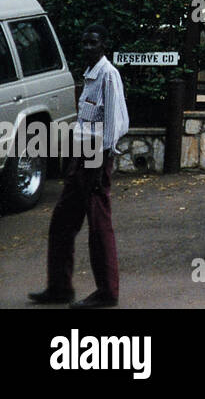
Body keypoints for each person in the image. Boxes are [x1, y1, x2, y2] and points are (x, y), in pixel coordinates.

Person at [29, 25, 129, 308]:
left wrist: (99, 166)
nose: (87, 47)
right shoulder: (88, 75)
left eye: (93, 42)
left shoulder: (108, 75)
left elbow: (111, 124)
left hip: (97, 156)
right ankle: (59, 287)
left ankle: (107, 292)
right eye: (84, 42)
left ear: (103, 45)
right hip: (81, 154)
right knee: (61, 222)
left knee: (99, 227)